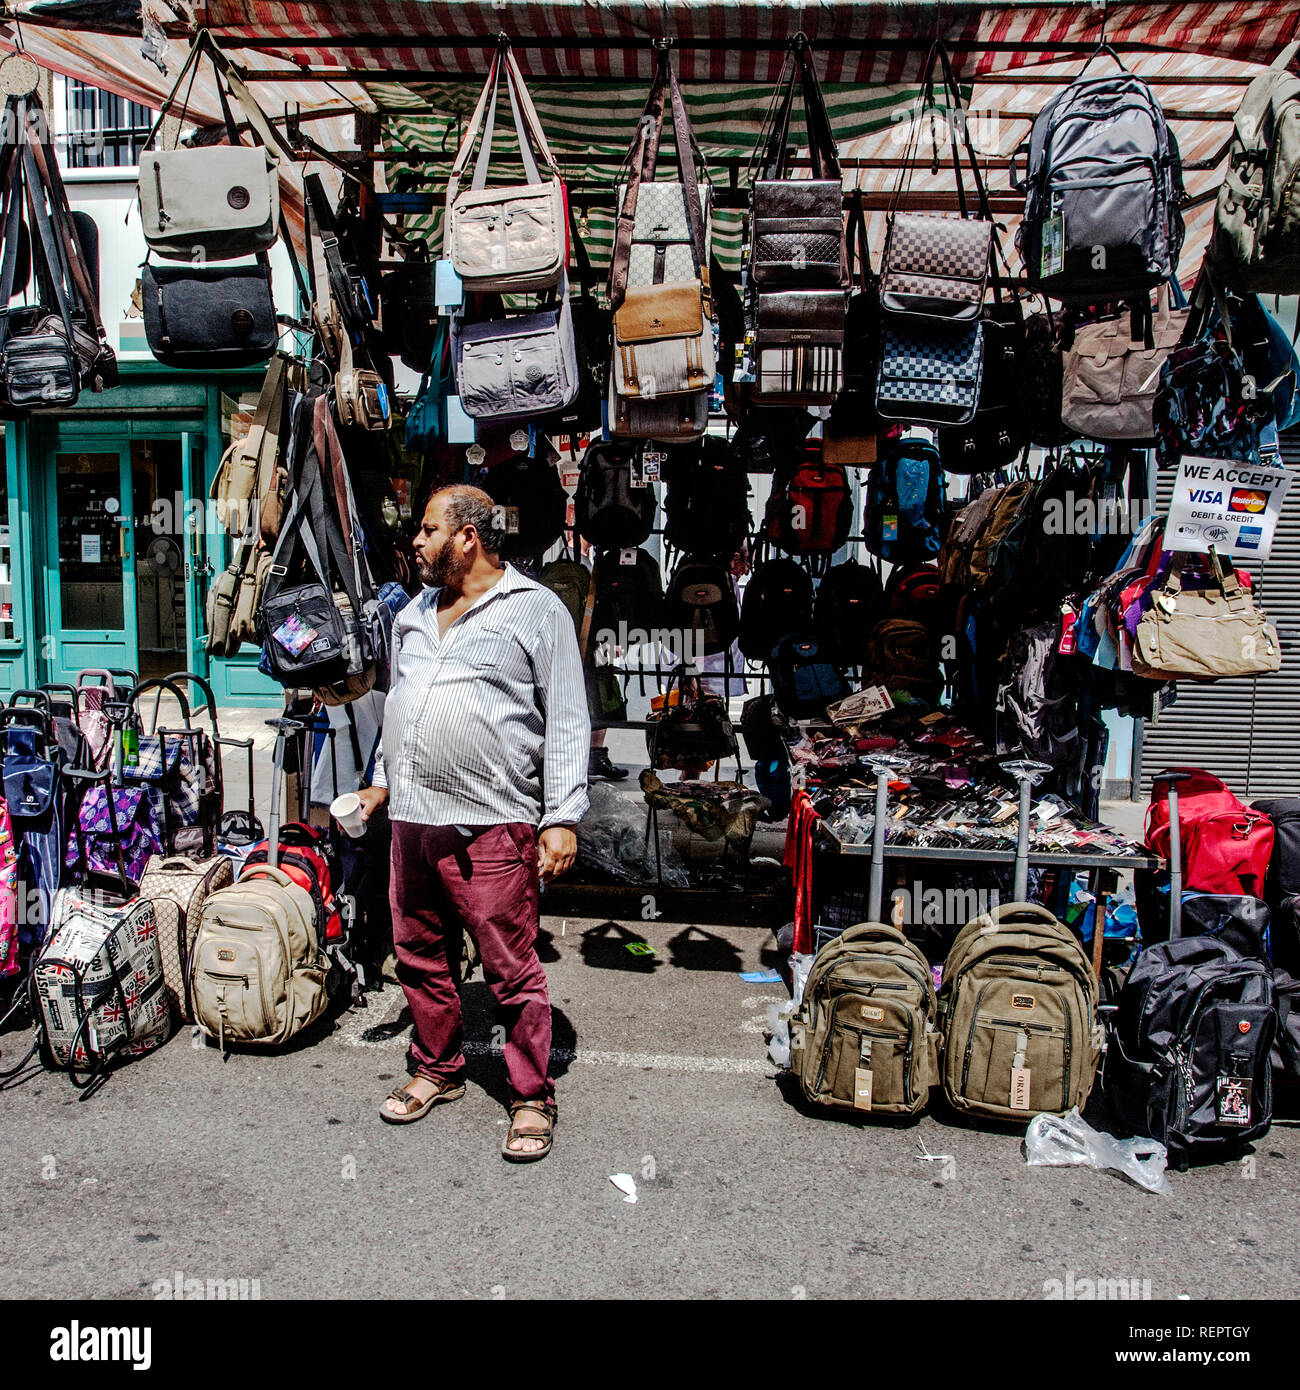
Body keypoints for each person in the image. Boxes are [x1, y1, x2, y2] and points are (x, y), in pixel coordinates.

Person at [357, 484, 590, 1162]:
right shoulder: (412, 614)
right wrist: (378, 781)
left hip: (492, 822)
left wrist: (562, 815)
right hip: (411, 819)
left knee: (509, 968)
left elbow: (569, 716)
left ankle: (529, 1095)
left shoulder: (535, 609)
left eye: (429, 530)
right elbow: (399, 706)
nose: (417, 543)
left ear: (467, 536)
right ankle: (438, 1069)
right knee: (419, 955)